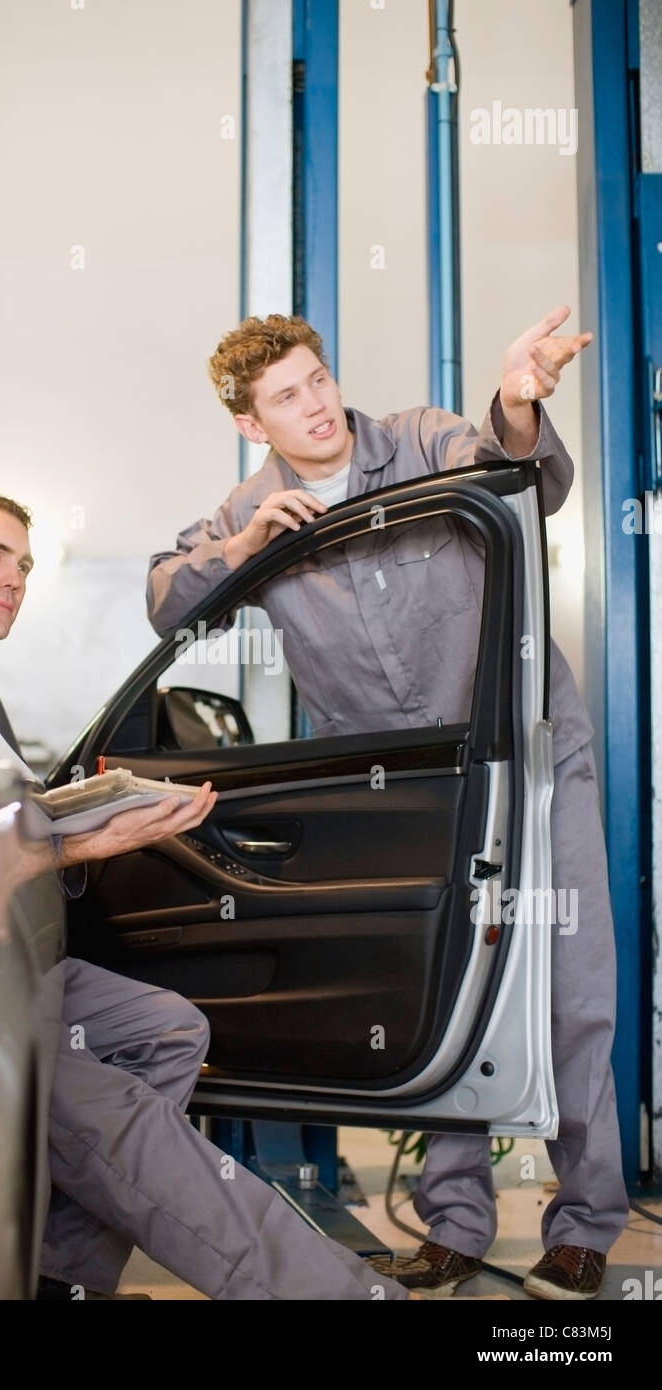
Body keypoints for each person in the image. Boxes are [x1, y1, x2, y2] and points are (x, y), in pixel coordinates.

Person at [146, 309, 630, 1301]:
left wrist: (516, 400)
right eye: (286, 396)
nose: (316, 404)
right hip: (410, 791)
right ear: (251, 424)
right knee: (439, 994)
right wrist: (238, 549)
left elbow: (523, 475)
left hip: (532, 754)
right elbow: (163, 602)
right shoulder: (246, 506)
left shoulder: (422, 439)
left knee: (572, 991)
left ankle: (581, 1228)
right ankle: (453, 1226)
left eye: (317, 379)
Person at [0, 491, 411, 1301]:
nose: (16, 578)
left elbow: (4, 822)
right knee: (123, 1128)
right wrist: (81, 841)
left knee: (170, 1029)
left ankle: (60, 1276)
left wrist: (83, 819)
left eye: (26, 563)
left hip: (14, 963)